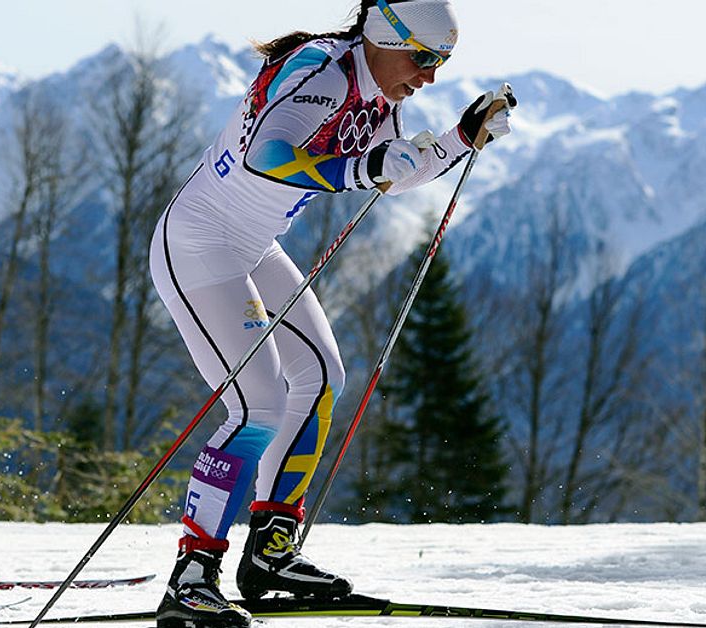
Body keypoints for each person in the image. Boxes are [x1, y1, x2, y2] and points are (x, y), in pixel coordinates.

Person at [147, 0, 515, 625]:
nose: (429, 76)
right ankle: (191, 575)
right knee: (256, 403)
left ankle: (269, 549)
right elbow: (267, 154)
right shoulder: (320, 68)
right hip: (199, 244)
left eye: (442, 64)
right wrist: (360, 166)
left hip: (253, 246)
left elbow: (394, 170)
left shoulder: (381, 93)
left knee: (321, 378)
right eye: (423, 58)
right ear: (383, 35)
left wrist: (461, 135)